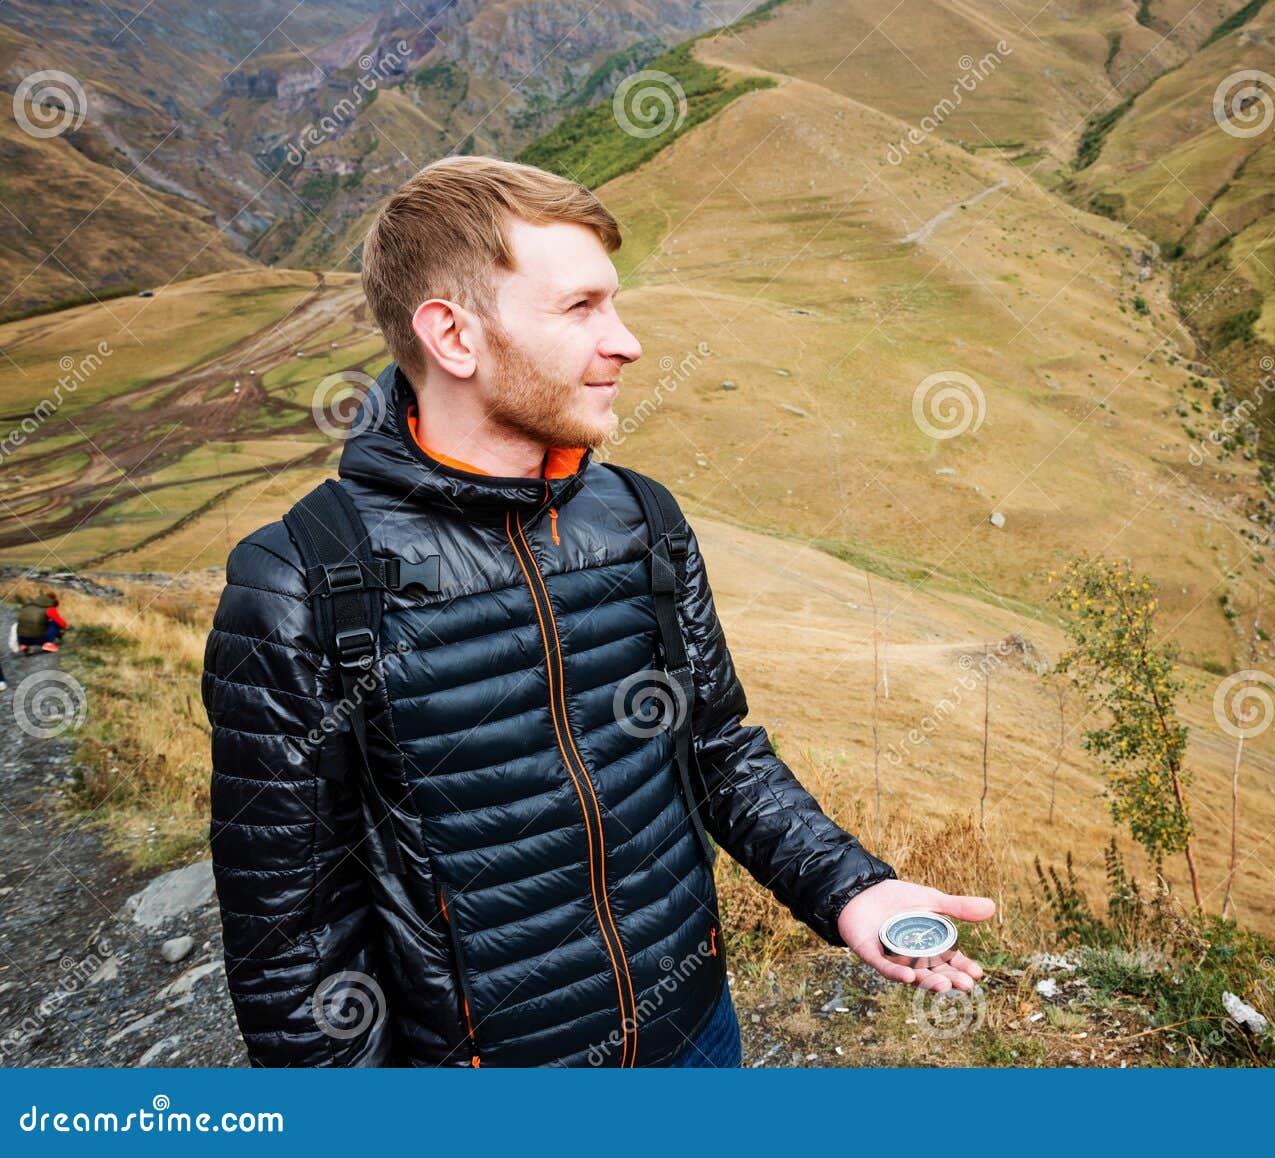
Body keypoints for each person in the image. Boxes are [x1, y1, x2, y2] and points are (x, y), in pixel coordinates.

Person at [202, 156, 995, 1069]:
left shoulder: (640, 518)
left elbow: (716, 749)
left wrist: (853, 891)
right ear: (453, 337)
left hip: (697, 1038)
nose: (627, 343)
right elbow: (291, 943)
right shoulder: (301, 581)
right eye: (581, 309)